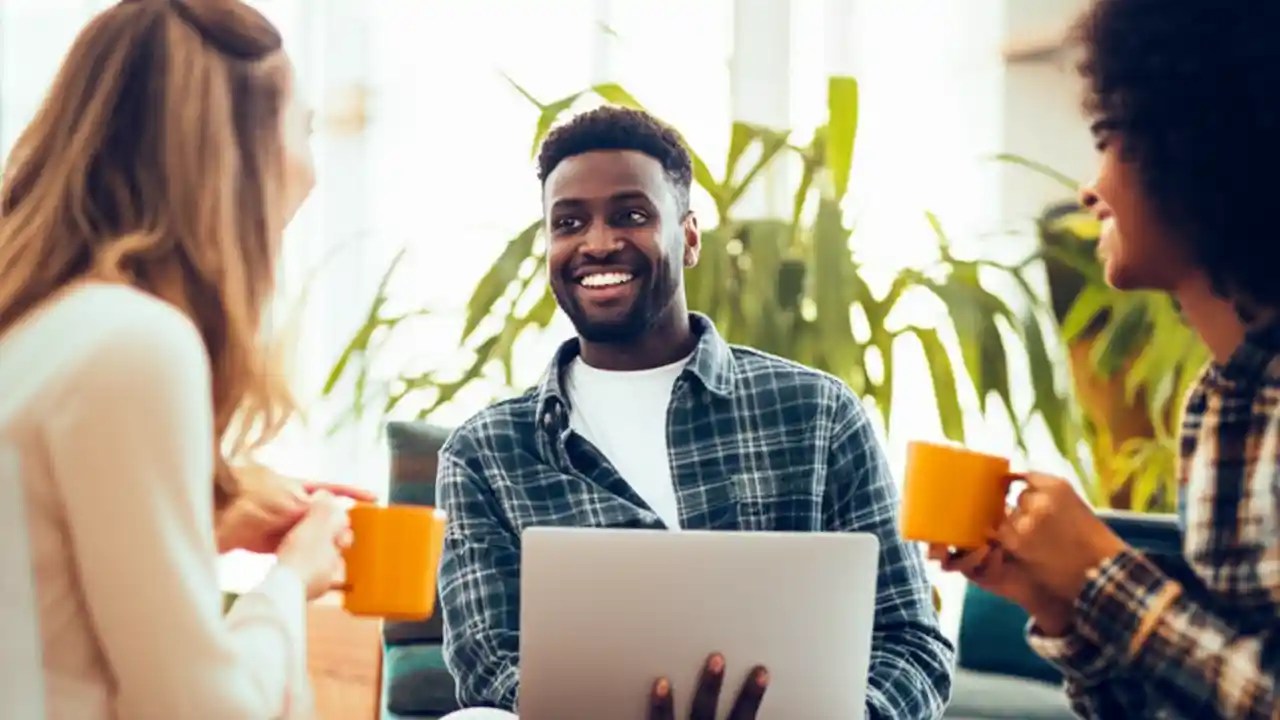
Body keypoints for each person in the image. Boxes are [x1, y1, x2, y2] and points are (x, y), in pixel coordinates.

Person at [435, 105, 954, 718]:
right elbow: (491, 665)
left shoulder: (817, 414)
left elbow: (910, 643)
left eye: (631, 215)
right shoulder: (486, 453)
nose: (597, 243)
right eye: (569, 223)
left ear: (688, 238)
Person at [0, 1, 370, 717]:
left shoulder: (35, 333)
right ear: (242, 156)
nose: (313, 173)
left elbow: (41, 607)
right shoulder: (137, 343)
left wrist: (201, 526)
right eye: (304, 130)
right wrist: (293, 578)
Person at [931, 0, 1280, 718]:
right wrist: (1061, 605)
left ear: (1203, 151)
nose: (1090, 189)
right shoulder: (1221, 400)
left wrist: (1100, 573)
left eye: (1110, 141)